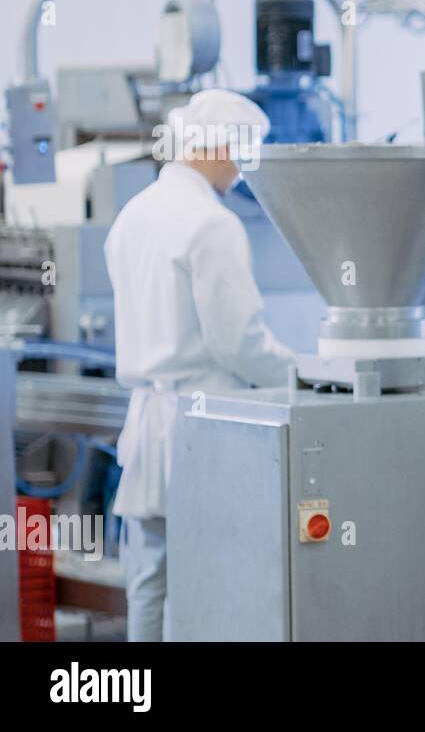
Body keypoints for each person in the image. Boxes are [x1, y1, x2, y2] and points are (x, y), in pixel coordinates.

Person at [105, 89, 295, 641]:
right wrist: (306, 375)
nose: (241, 172)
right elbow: (238, 342)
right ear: (217, 147)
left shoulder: (134, 215)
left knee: (150, 577)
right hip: (204, 426)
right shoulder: (211, 224)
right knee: (213, 578)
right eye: (242, 156)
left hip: (148, 419)